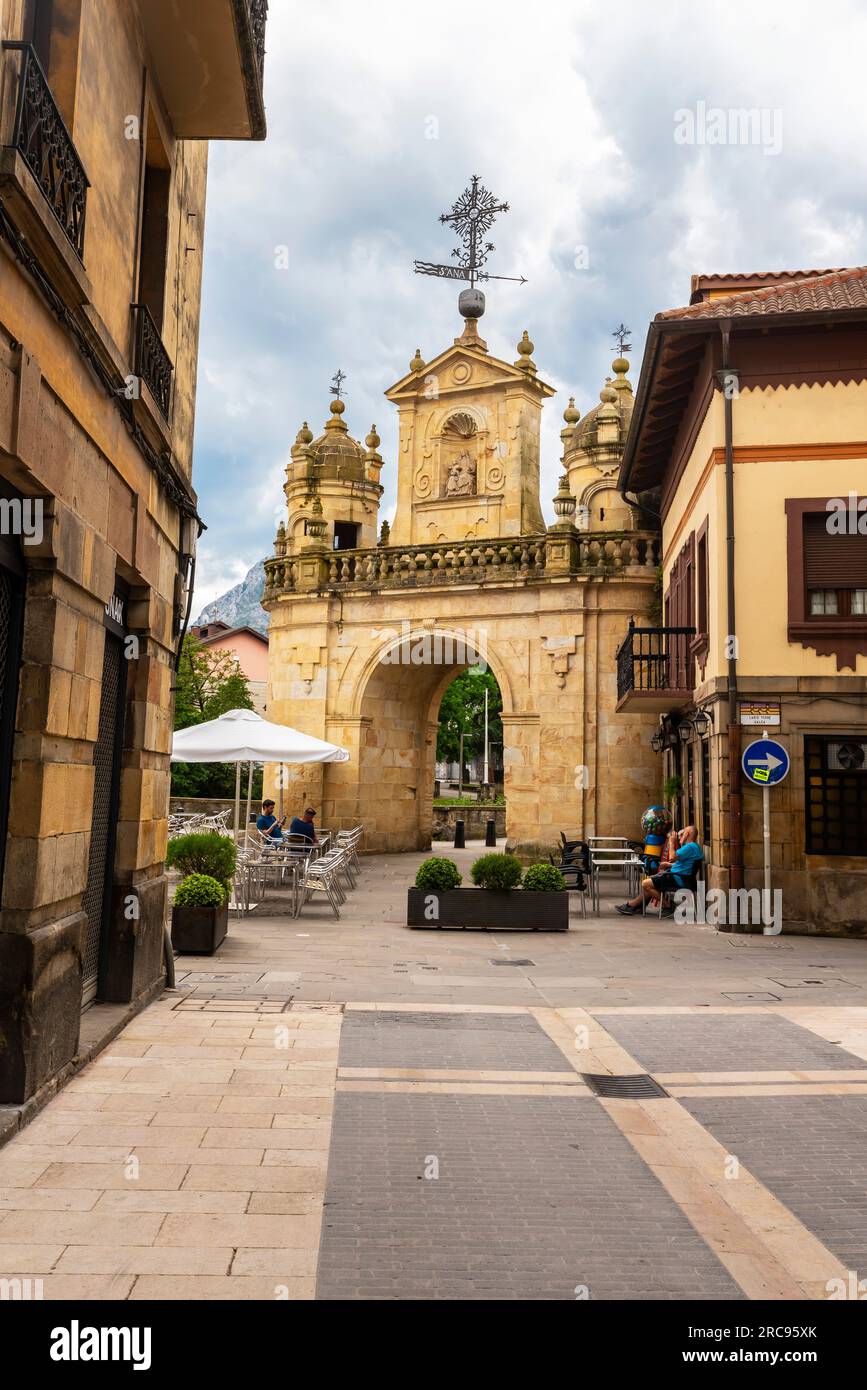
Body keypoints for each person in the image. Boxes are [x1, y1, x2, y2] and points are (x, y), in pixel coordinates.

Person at [616, 825, 703, 915]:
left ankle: (668, 906)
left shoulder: (689, 847)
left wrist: (672, 842)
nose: (680, 835)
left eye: (683, 833)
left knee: (645, 884)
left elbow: (672, 857)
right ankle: (635, 906)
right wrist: (668, 864)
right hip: (683, 877)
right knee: (650, 884)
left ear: (687, 834)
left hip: (679, 879)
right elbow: (685, 865)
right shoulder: (695, 847)